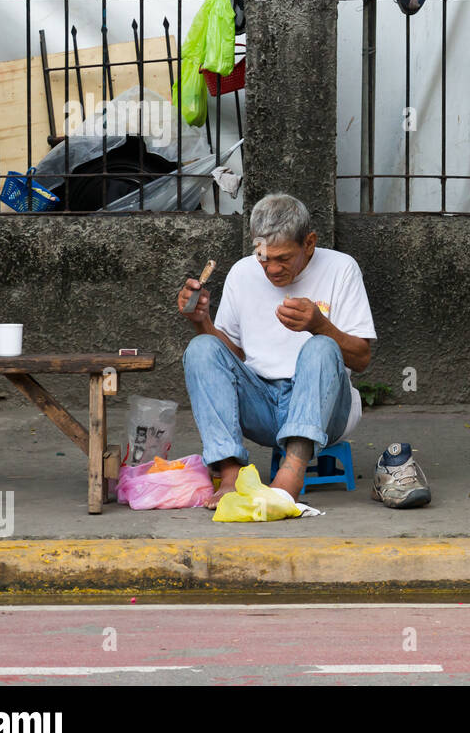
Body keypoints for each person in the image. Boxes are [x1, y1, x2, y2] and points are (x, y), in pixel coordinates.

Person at [177, 192, 431, 510]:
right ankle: (230, 476)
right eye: (263, 257)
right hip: (261, 407)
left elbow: (362, 359)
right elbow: (232, 357)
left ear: (309, 243)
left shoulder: (341, 269)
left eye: (283, 258)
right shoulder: (243, 273)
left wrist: (320, 325)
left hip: (326, 410)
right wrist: (202, 322)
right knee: (201, 348)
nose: (271, 269)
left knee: (321, 346)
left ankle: (292, 475)